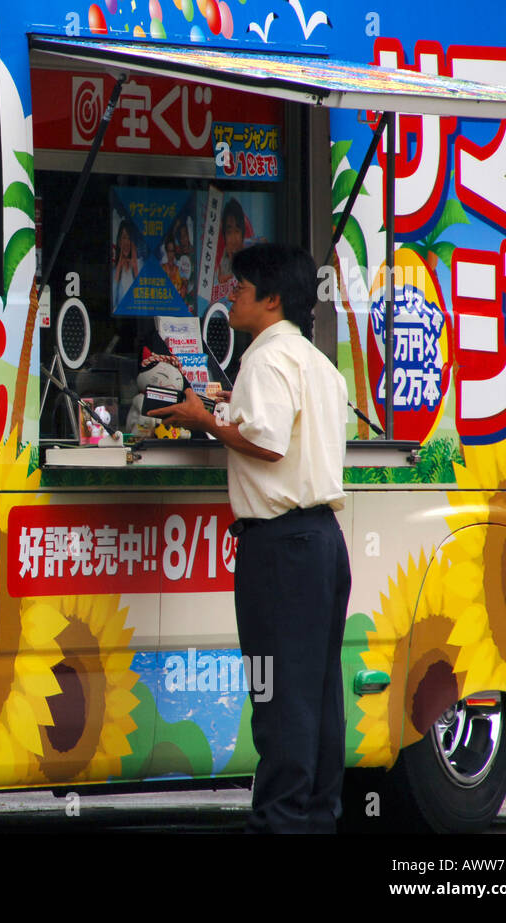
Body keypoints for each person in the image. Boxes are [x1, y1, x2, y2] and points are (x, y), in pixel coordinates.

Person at [151, 243, 350, 834]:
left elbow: (267, 442)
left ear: (271, 299)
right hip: (321, 542)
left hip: (282, 548)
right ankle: (314, 818)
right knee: (316, 694)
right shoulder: (315, 361)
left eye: (238, 286)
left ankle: (280, 822)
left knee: (280, 694)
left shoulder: (265, 359)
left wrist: (204, 420)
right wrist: (220, 414)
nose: (228, 294)